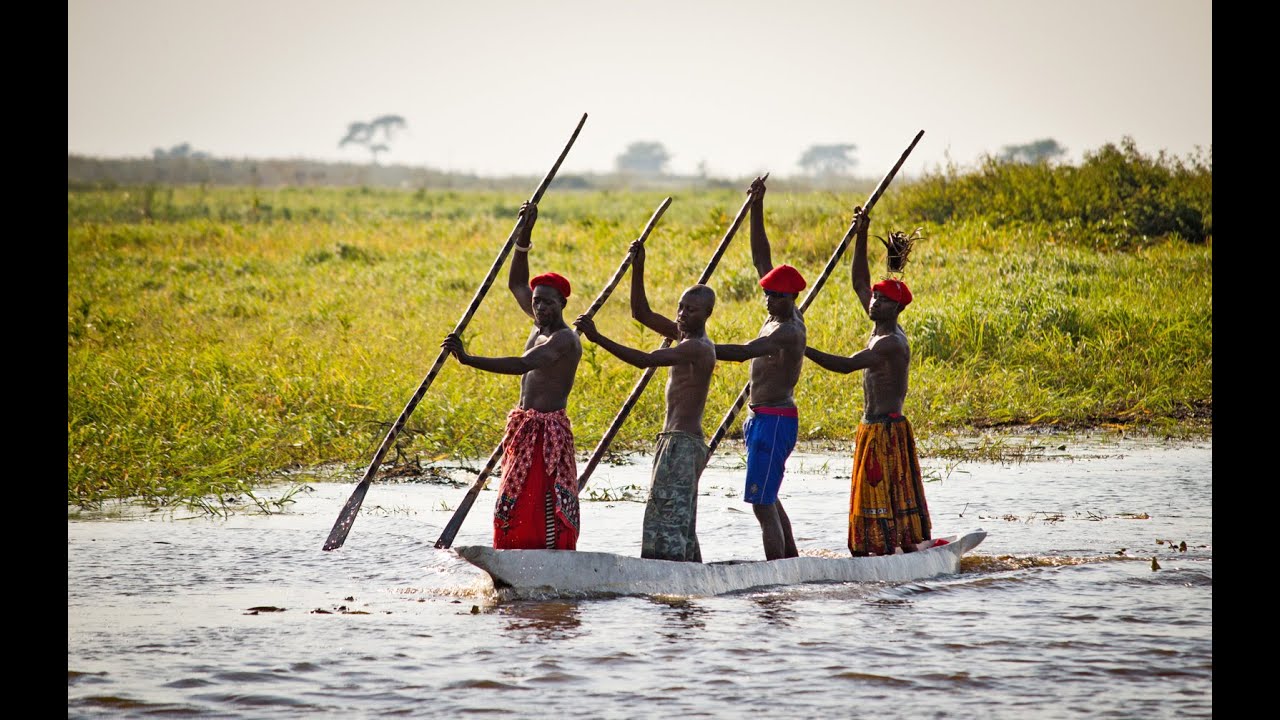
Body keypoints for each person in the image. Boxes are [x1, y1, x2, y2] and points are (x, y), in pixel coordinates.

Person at [441, 201, 583, 550]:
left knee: (542, 500)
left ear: (562, 304)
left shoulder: (564, 339)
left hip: (547, 430)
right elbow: (517, 282)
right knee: (515, 495)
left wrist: (469, 359)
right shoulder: (538, 324)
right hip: (524, 426)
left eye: (548, 303)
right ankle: (513, 551)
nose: (539, 307)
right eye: (537, 302)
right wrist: (524, 235)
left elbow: (522, 365)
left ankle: (548, 555)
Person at [573, 238, 717, 562]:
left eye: (690, 310)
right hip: (672, 441)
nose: (681, 314)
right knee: (675, 519)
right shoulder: (684, 336)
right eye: (680, 307)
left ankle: (674, 580)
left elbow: (643, 360)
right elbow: (641, 312)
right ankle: (690, 577)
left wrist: (598, 338)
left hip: (683, 442)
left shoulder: (698, 347)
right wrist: (639, 266)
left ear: (707, 314)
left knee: (667, 519)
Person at [804, 206, 932, 556]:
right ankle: (887, 549)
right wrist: (861, 233)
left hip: (887, 431)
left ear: (897, 309)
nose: (873, 302)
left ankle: (894, 550)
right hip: (871, 427)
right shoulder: (879, 324)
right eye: (875, 298)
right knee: (875, 496)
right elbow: (859, 281)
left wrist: (803, 348)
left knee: (882, 496)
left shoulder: (891, 342)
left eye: (883, 300)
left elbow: (846, 365)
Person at [713, 175, 807, 561]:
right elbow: (761, 259)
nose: (768, 299)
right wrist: (756, 207)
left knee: (761, 504)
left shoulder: (788, 330)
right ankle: (791, 561)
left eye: (776, 295)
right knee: (769, 496)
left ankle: (776, 575)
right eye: (767, 293)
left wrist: (699, 348)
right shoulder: (776, 312)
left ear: (792, 298)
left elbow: (742, 353)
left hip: (775, 420)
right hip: (762, 419)